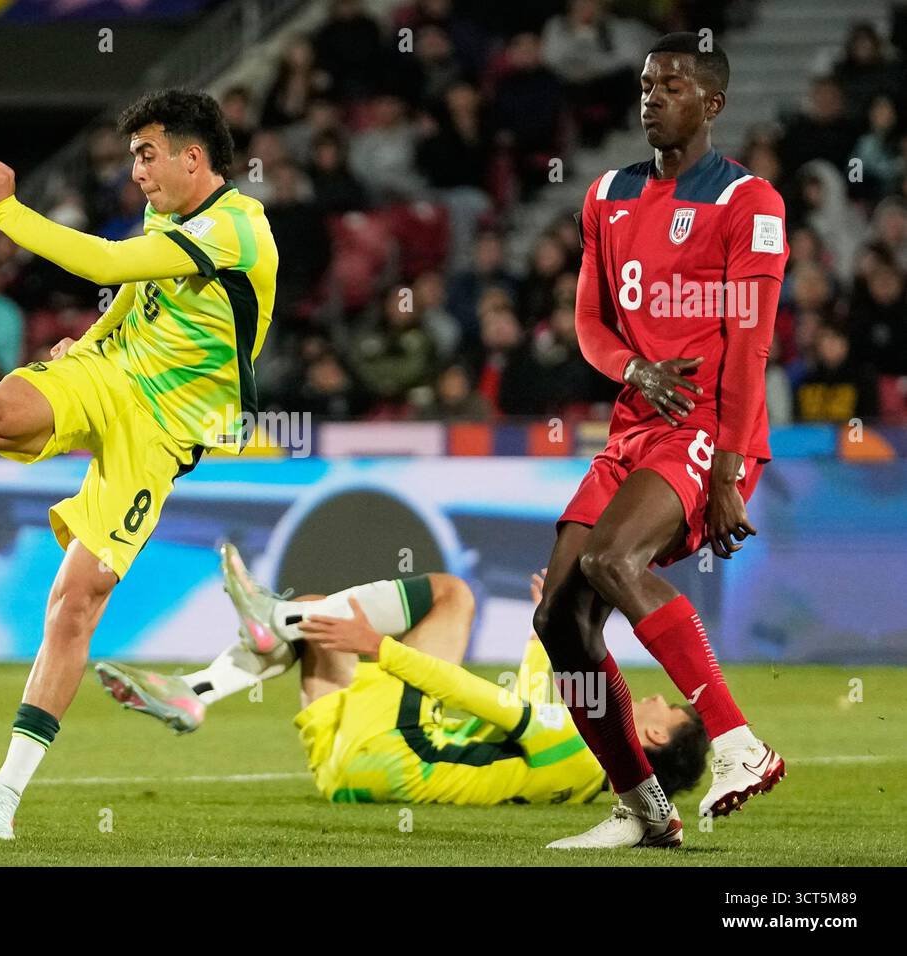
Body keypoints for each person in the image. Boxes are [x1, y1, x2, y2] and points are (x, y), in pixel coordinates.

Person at [0, 89, 278, 840]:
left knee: (76, 603)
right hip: (112, 374)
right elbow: (131, 295)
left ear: (194, 157)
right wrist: (90, 345)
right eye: (133, 158)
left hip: (164, 430)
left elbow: (104, 258)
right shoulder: (171, 212)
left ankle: (1, 795)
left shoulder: (237, 230)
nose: (136, 172)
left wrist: (9, 213)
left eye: (146, 155)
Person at [532, 33, 788, 850]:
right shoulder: (606, 194)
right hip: (634, 429)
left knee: (614, 564)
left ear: (711, 105)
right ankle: (644, 808)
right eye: (646, 84)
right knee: (557, 620)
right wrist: (634, 367)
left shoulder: (751, 203)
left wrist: (730, 470)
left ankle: (740, 744)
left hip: (705, 430)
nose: (652, 97)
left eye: (672, 85)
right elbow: (588, 321)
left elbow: (750, 342)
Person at [95, 547, 708, 809]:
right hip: (348, 774)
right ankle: (197, 691)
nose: (655, 694)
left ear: (653, 739)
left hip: (397, 748)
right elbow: (529, 702)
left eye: (667, 705)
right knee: (319, 616)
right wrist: (542, 630)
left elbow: (482, 696)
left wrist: (380, 648)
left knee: (453, 595)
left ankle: (268, 621)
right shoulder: (583, 777)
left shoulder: (584, 753)